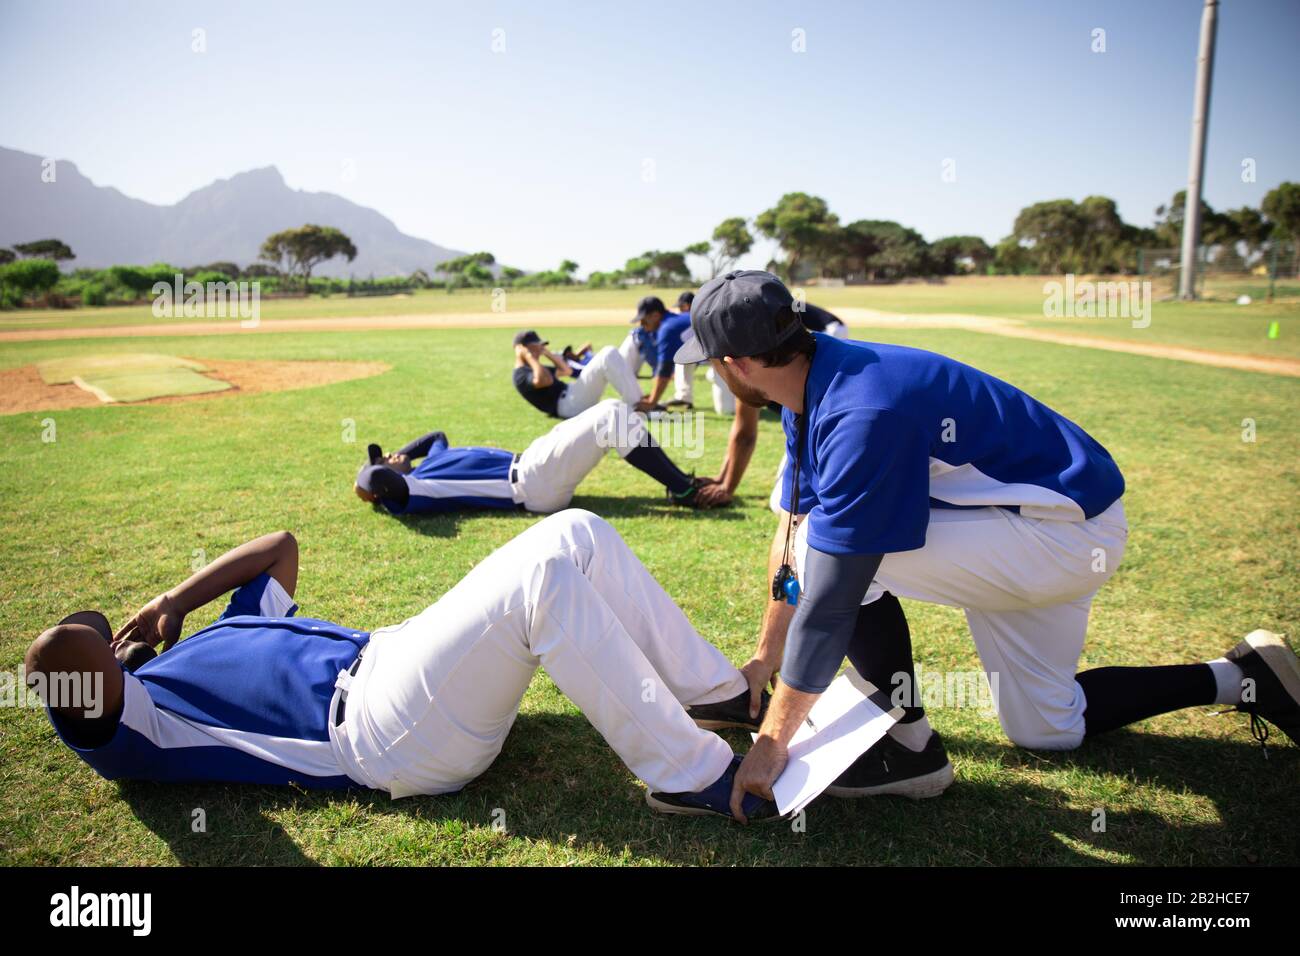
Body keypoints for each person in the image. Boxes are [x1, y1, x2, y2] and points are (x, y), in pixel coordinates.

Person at [671, 270, 1299, 822]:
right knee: (1048, 728)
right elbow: (793, 525)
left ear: (737, 365)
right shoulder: (819, 378)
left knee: (833, 560)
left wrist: (773, 741)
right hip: (1028, 530)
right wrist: (763, 659)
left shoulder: (857, 411)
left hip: (1059, 537)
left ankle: (908, 747)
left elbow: (831, 596)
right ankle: (1240, 678)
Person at [25, 513, 776, 818]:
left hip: (399, 661)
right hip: (383, 736)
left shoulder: (219, 633)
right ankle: (691, 775)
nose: (105, 637)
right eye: (104, 641)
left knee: (574, 533)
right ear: (101, 680)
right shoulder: (144, 726)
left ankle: (715, 694)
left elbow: (278, 546)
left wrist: (172, 601)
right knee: (541, 586)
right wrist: (117, 649)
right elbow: (53, 655)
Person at [353, 401, 712, 513]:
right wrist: (369, 483)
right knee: (612, 416)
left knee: (611, 414)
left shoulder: (430, 462)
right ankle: (683, 490)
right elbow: (377, 481)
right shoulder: (418, 487)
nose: (388, 455)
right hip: (531, 483)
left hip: (534, 461)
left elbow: (436, 436)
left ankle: (680, 483)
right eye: (382, 458)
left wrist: (400, 454)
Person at [695, 301, 848, 509]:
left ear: (736, 363)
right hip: (808, 430)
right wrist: (723, 482)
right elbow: (744, 433)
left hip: (838, 437)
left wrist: (726, 488)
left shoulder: (832, 391)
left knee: (794, 505)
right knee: (784, 503)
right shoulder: (752, 378)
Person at [513, 329, 651, 418]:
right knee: (607, 354)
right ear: (520, 349)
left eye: (540, 347)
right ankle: (637, 406)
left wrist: (547, 353)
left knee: (609, 354)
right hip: (568, 406)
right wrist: (530, 357)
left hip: (573, 395)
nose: (537, 351)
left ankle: (638, 403)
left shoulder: (538, 367)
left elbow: (566, 370)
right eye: (534, 348)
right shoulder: (520, 374)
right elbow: (543, 381)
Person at [620, 296, 694, 410]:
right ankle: (684, 397)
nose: (642, 325)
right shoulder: (671, 322)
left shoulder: (667, 329)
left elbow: (664, 371)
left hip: (724, 349)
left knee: (727, 409)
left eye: (644, 320)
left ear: (655, 315)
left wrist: (652, 402)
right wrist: (653, 397)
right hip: (714, 351)